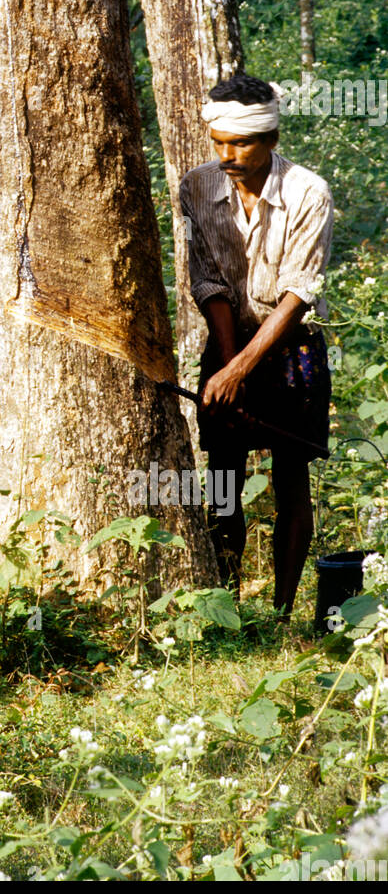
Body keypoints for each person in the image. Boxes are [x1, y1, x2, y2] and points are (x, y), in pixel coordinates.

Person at [179, 74, 334, 617]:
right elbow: (209, 282)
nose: (228, 154)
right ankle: (228, 607)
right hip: (228, 344)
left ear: (270, 138)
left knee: (292, 476)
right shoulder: (197, 187)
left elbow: (299, 293)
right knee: (223, 477)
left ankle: (283, 613)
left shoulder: (307, 193)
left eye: (241, 142)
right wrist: (227, 365)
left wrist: (243, 368)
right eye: (219, 141)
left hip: (291, 348)